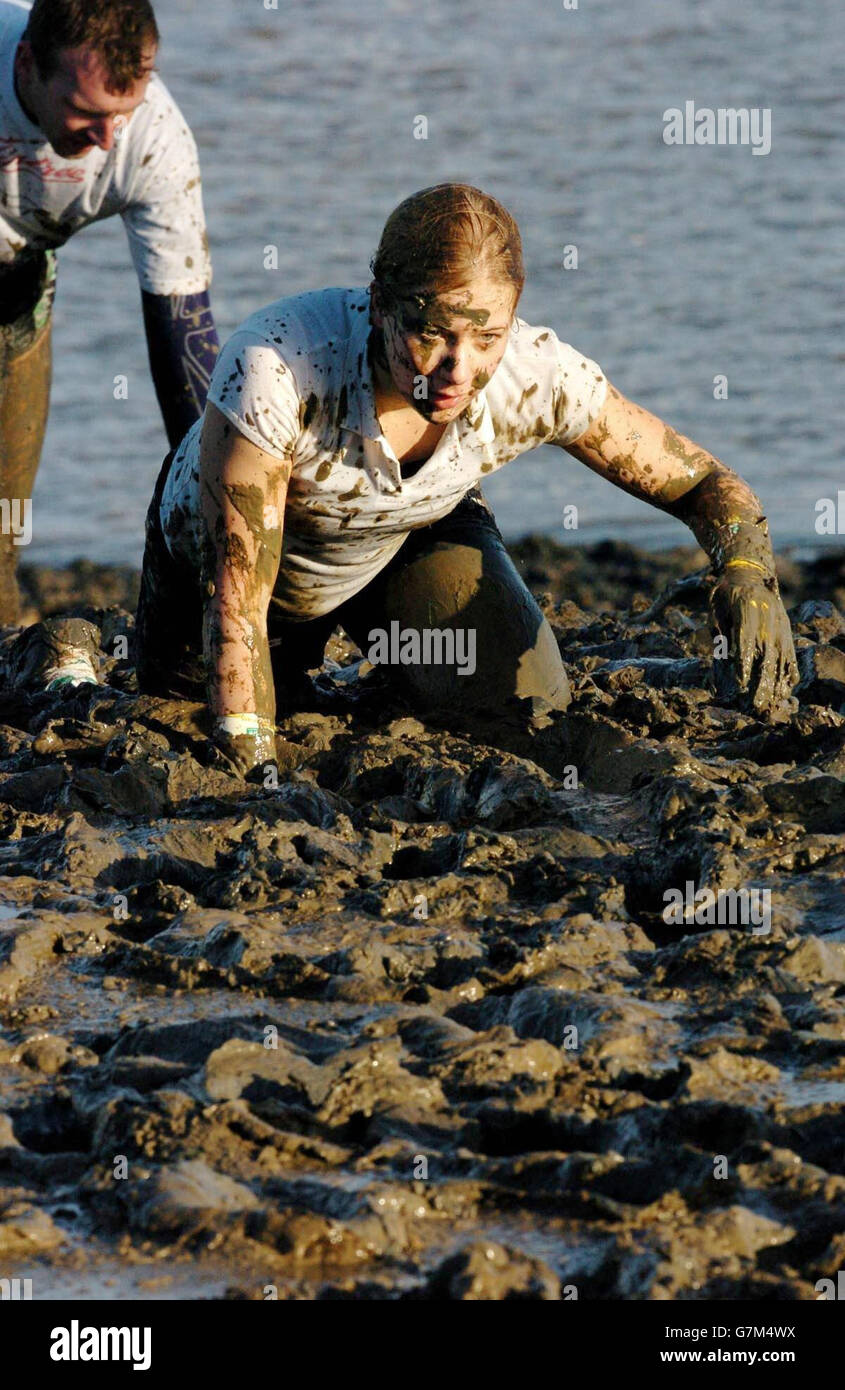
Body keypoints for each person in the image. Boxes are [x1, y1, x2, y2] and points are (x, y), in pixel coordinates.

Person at [133, 183, 798, 777]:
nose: (458, 368)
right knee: (187, 715)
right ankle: (59, 654)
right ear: (377, 308)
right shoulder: (278, 367)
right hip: (234, 573)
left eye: (487, 338)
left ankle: (384, 685)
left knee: (528, 711)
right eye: (431, 335)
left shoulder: (535, 373)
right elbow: (234, 601)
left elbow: (701, 483)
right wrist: (254, 765)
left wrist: (743, 569)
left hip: (399, 537)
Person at [0, 0, 219, 626]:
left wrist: (218, 514)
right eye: (87, 113)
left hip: (14, 290)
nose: (105, 139)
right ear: (26, 62)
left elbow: (184, 343)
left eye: (121, 113)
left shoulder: (154, 143)